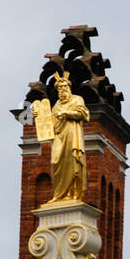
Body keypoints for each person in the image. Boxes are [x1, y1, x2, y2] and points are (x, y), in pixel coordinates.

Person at [51, 71, 89, 201]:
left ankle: (72, 193)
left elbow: (84, 114)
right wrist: (39, 116)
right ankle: (59, 193)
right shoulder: (56, 105)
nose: (62, 91)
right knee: (55, 161)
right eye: (59, 89)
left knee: (73, 161)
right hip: (59, 136)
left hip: (72, 134)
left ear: (69, 88)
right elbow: (51, 124)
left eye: (64, 88)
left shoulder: (77, 99)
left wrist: (67, 113)